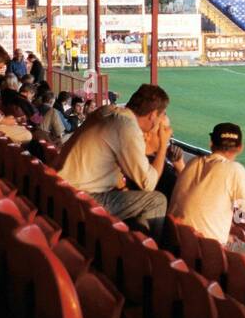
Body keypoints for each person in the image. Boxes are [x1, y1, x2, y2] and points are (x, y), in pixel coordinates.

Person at [170, 122, 245, 278]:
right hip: (209, 251)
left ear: (211, 143)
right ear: (240, 147)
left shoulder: (193, 162)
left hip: (180, 241)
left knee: (240, 243)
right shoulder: (235, 170)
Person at [54, 85, 174, 238]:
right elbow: (148, 183)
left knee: (128, 194)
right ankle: (142, 250)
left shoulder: (106, 112)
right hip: (80, 198)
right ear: (152, 115)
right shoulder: (127, 127)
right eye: (161, 114)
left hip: (61, 189)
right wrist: (163, 145)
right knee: (156, 201)